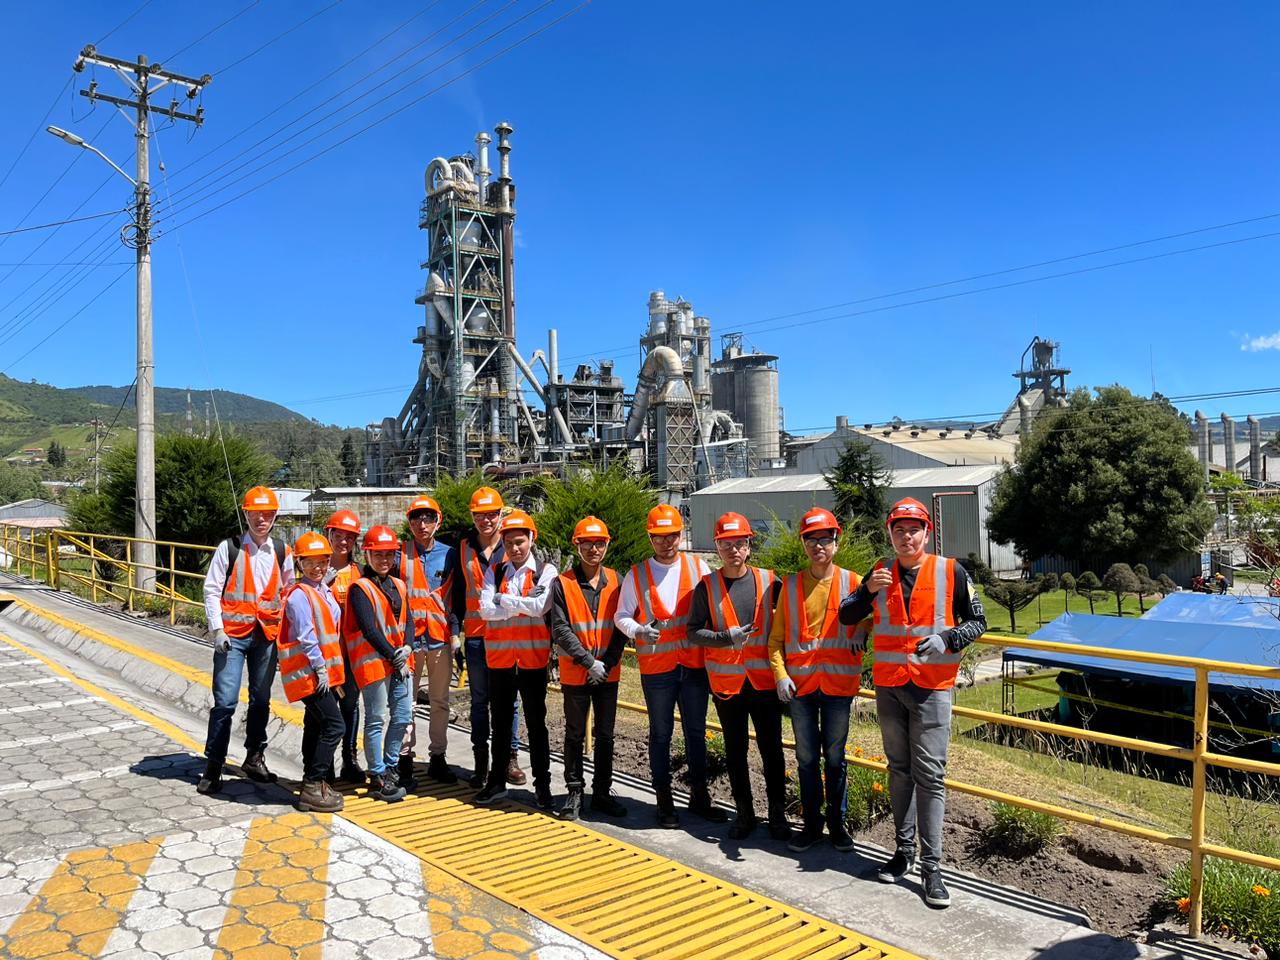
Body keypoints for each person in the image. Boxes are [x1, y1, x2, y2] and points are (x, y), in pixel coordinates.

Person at [839, 497, 988, 909]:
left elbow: (979, 620)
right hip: (890, 686)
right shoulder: (880, 571)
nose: (907, 537)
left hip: (932, 687)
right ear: (890, 533)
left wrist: (947, 638)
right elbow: (847, 614)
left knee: (931, 776)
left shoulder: (950, 571)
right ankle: (903, 853)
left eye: (913, 530)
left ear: (927, 532)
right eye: (899, 530)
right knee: (899, 771)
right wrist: (866, 590)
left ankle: (932, 867)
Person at [616, 504, 728, 828]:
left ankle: (699, 796)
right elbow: (621, 615)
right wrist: (638, 630)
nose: (667, 542)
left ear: (681, 535)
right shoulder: (637, 575)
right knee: (661, 733)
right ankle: (664, 799)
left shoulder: (698, 568)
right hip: (657, 669)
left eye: (673, 535)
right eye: (660, 537)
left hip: (693, 667)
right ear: (650, 538)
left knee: (696, 732)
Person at [769, 507, 865, 854]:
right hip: (801, 689)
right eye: (812, 540)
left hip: (838, 688)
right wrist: (781, 675)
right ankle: (812, 825)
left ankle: (838, 826)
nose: (819, 546)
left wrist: (863, 629)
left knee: (836, 759)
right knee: (807, 759)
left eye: (825, 539)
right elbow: (776, 640)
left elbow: (875, 614)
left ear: (836, 543)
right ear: (804, 544)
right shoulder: (792, 585)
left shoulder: (854, 582)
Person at [688, 512, 789, 841]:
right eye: (726, 544)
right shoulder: (707, 587)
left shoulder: (770, 582)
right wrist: (724, 638)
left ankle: (777, 814)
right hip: (728, 686)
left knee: (772, 750)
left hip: (764, 684)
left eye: (739, 543)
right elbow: (693, 632)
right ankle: (744, 813)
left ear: (749, 546)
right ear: (717, 547)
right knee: (735, 751)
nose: (733, 550)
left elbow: (790, 624)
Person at [198, 486, 294, 795]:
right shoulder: (230, 548)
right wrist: (217, 630)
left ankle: (254, 757)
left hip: (266, 636)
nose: (261, 519)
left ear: (274, 516)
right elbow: (212, 589)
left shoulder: (282, 551)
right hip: (232, 638)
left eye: (267, 514)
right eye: (256, 514)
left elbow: (289, 592)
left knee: (261, 699)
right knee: (225, 701)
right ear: (246, 514)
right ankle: (214, 764)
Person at [474, 510, 558, 808]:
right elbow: (485, 610)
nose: (514, 548)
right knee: (500, 724)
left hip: (533, 660)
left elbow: (540, 607)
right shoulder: (495, 571)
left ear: (532, 539)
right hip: (500, 660)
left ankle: (543, 786)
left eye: (519, 542)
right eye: (508, 543)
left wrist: (503, 600)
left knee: (537, 725)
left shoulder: (546, 571)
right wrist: (520, 603)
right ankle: (496, 782)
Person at [549, 516, 628, 821]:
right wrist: (588, 662)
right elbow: (560, 628)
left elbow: (621, 625)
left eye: (599, 543)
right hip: (576, 672)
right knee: (574, 733)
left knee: (606, 735)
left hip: (608, 672)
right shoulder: (563, 583)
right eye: (587, 544)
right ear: (577, 546)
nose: (593, 549)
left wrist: (606, 664)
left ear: (607, 545)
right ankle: (574, 792)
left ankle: (602, 793)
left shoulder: (618, 581)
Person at [449, 486, 524, 788]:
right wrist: (454, 634)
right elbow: (457, 595)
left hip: (507, 636)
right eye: (480, 515)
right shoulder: (463, 549)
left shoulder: (512, 546)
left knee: (509, 700)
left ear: (501, 514)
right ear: (473, 516)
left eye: (492, 514)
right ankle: (481, 762)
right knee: (480, 701)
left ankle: (510, 759)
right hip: (476, 637)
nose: (486, 520)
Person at [342, 525, 414, 803]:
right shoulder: (360, 588)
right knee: (375, 719)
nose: (384, 559)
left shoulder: (399, 585)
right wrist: (394, 655)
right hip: (374, 663)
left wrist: (407, 647)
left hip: (399, 662)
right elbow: (369, 629)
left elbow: (408, 621)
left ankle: (391, 766)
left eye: (389, 554)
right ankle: (378, 774)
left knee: (403, 716)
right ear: (367, 555)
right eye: (378, 554)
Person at [278, 532, 346, 813]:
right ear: (299, 563)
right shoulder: (299, 596)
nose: (317, 567)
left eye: (322, 562)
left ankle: (313, 781)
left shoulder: (322, 590)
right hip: (311, 673)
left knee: (316, 724)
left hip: (324, 673)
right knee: (335, 726)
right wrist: (320, 668)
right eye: (310, 562)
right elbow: (306, 637)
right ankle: (313, 783)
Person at [398, 495, 459, 786]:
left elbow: (456, 598)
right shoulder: (399, 554)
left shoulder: (450, 555)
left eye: (428, 518)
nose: (422, 524)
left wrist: (456, 634)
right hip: (409, 642)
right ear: (409, 522)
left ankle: (438, 757)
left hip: (438, 638)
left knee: (439, 702)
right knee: (405, 702)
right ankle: (404, 758)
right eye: (416, 518)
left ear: (438, 522)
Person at [323, 509, 365, 784]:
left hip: (351, 653)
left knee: (350, 705)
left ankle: (350, 759)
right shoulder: (316, 568)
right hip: (326, 654)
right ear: (329, 535)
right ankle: (324, 764)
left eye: (349, 538)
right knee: (326, 709)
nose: (343, 542)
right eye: (338, 535)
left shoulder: (360, 572)